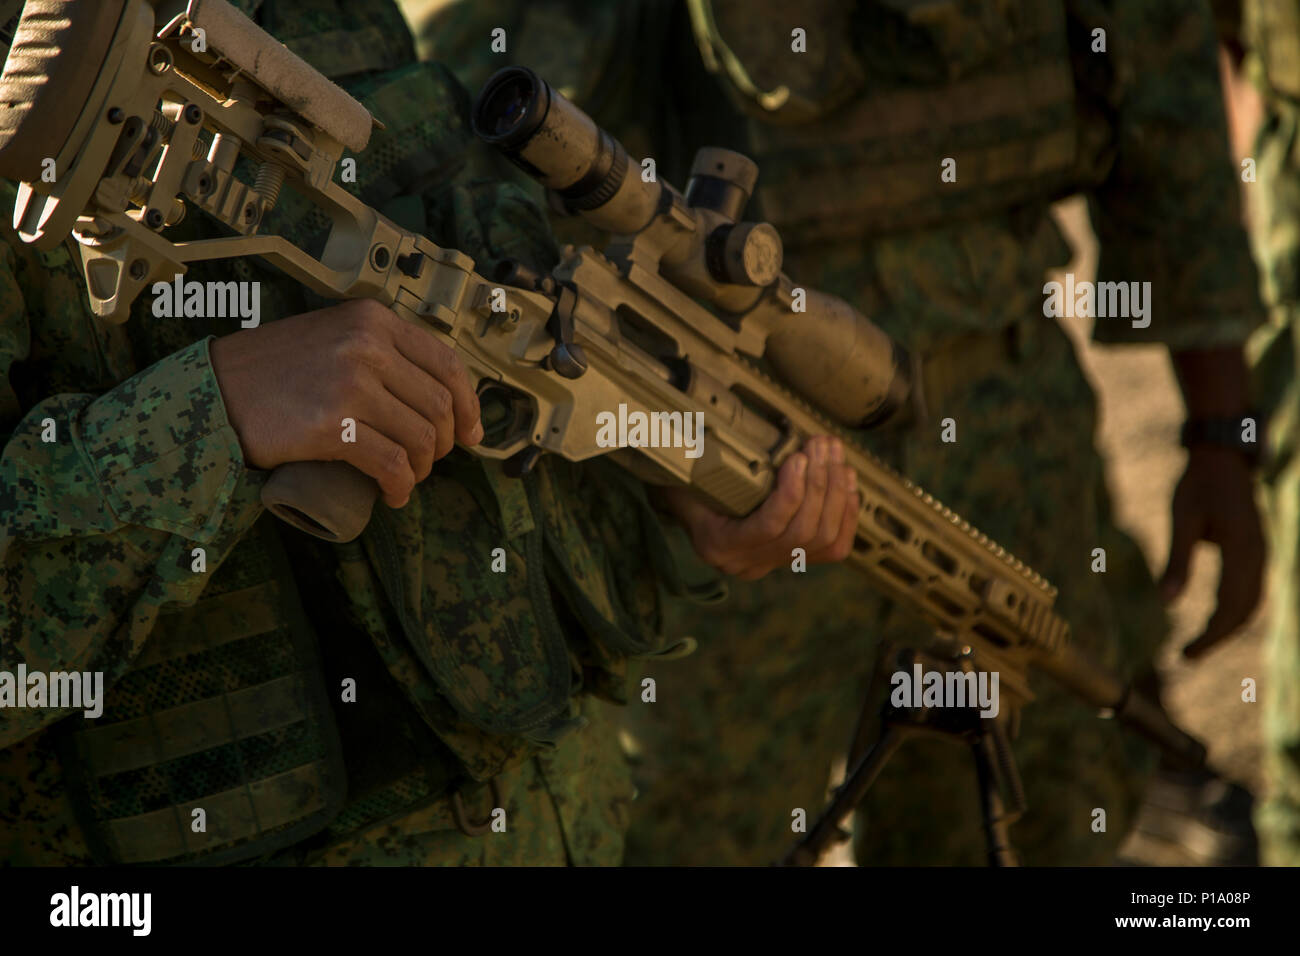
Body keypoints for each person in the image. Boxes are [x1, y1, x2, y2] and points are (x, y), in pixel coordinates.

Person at [0, 0, 853, 866]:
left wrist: (673, 479)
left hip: (554, 819)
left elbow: (501, 361)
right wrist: (213, 412)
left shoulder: (345, 16)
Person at [416, 0, 1268, 865]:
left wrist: (1221, 437)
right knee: (691, 830)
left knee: (1020, 822)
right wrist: (671, 476)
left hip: (1009, 432)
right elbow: (463, 158)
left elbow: (1176, 136)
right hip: (710, 458)